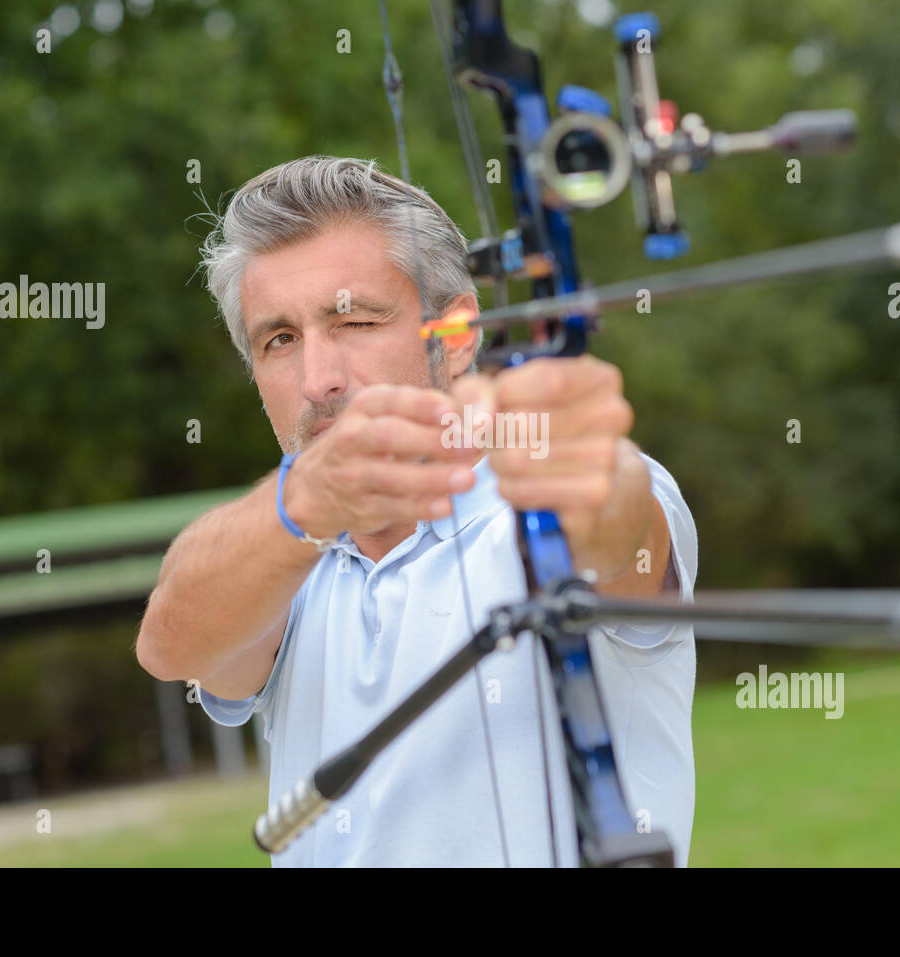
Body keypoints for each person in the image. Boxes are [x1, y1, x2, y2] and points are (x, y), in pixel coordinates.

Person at [135, 156, 698, 866]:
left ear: (457, 335)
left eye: (355, 321)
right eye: (278, 340)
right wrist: (305, 503)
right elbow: (170, 644)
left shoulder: (552, 498)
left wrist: (583, 453)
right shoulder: (283, 545)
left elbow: (617, 533)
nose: (317, 380)